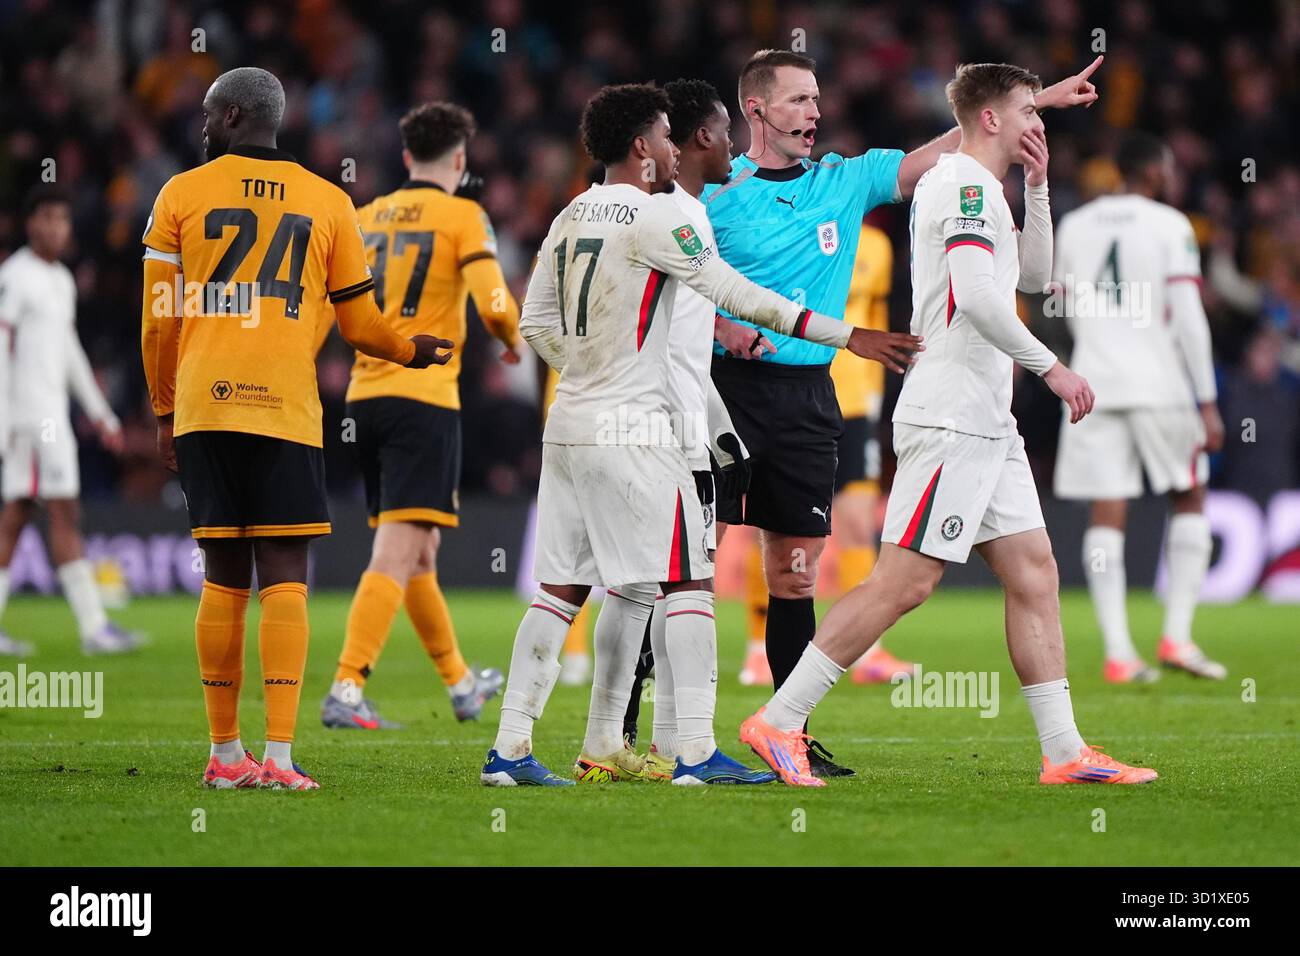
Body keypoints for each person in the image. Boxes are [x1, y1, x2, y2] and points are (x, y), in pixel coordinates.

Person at [481, 82, 919, 787]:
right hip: (645, 426)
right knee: (688, 581)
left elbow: (533, 326)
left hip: (571, 423)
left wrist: (595, 368)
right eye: (662, 135)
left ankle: (521, 750)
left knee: (568, 588)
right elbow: (740, 296)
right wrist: (851, 335)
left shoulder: (570, 214)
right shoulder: (661, 218)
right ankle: (693, 755)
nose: (672, 146)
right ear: (639, 147)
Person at [740, 62, 1158, 789]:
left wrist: (1038, 184)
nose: (1038, 122)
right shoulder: (961, 184)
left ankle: (1063, 752)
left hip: (985, 418)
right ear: (991, 119)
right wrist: (1051, 367)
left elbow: (1029, 279)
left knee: (1033, 572)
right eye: (1029, 110)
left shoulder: (987, 187)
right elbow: (975, 298)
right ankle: (779, 719)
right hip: (952, 413)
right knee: (904, 581)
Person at [140, 67, 450, 790]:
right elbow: (361, 324)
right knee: (285, 581)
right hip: (282, 410)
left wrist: (164, 410)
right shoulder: (328, 200)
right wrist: (409, 348)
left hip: (205, 406)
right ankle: (277, 758)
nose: (204, 125)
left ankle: (224, 756)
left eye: (212, 114)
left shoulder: (180, 194)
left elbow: (159, 318)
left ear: (239, 116)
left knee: (223, 578)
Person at [320, 101, 517, 730]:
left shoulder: (365, 215)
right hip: (423, 400)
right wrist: (511, 337)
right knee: (397, 550)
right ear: (459, 161)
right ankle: (347, 688)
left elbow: (329, 307)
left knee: (420, 550)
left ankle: (460, 684)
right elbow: (491, 300)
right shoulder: (463, 214)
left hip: (365, 398)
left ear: (407, 156)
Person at [1052, 131, 1226, 682]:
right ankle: (1176, 637)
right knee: (1189, 491)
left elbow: (1059, 303)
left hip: (1092, 382)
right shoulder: (1171, 225)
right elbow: (1189, 317)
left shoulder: (1075, 224)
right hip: (1160, 383)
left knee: (1108, 507)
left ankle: (1120, 653)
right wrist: (1208, 400)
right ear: (1152, 173)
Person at [0, 185, 138, 657]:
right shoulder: (16, 277)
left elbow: (69, 352)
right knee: (63, 511)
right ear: (31, 223)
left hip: (49, 416)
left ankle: (94, 627)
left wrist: (100, 412)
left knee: (17, 516)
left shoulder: (59, 279)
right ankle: (94, 628)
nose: (57, 227)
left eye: (64, 219)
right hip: (31, 419)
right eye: (49, 218)